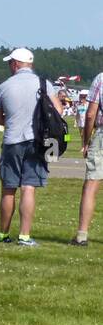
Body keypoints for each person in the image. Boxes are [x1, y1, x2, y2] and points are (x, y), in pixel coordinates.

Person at [0, 47, 65, 246]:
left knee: (8, 189)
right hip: (37, 140)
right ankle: (24, 235)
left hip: (12, 141)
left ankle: (3, 233)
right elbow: (58, 111)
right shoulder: (44, 84)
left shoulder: (4, 87)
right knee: (29, 187)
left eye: (10, 63)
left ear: (15, 64)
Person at [70, 72, 103, 246]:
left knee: (91, 185)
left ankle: (82, 235)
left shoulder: (101, 78)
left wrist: (86, 141)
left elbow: (90, 114)